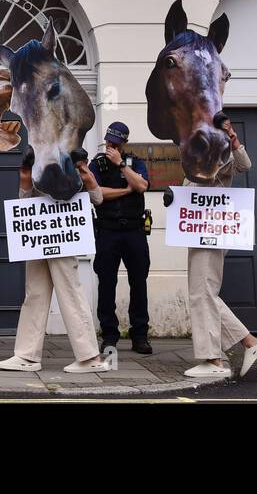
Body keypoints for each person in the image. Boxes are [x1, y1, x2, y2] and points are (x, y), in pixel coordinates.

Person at [0, 149, 112, 374]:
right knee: (34, 294)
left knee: (70, 292)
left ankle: (90, 357)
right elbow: (24, 202)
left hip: (63, 237)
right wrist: (25, 175)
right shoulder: (39, 158)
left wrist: (84, 171)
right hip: (39, 235)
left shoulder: (69, 158)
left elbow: (97, 198)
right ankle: (26, 356)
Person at [175, 113, 257, 380]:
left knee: (202, 292)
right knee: (204, 293)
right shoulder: (198, 156)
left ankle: (213, 360)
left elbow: (245, 164)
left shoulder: (219, 157)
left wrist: (233, 139)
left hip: (211, 231)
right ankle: (249, 342)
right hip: (198, 232)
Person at [89, 121, 153, 354]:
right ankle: (109, 336)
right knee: (107, 284)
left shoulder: (134, 163)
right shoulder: (97, 164)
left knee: (139, 283)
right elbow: (96, 193)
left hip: (134, 231)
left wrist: (122, 166)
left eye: (116, 143)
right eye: (109, 141)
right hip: (108, 230)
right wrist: (127, 190)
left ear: (124, 143)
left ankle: (140, 335)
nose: (111, 146)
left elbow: (142, 185)